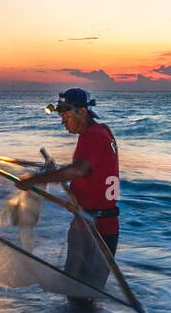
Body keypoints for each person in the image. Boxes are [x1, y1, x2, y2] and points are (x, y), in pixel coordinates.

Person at [16, 88, 120, 297]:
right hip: (99, 224)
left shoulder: (91, 137)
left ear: (82, 111)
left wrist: (34, 181)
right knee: (83, 294)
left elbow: (79, 169)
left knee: (79, 295)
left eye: (66, 114)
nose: (63, 120)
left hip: (93, 229)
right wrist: (56, 173)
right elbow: (89, 173)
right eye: (61, 115)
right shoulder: (103, 132)